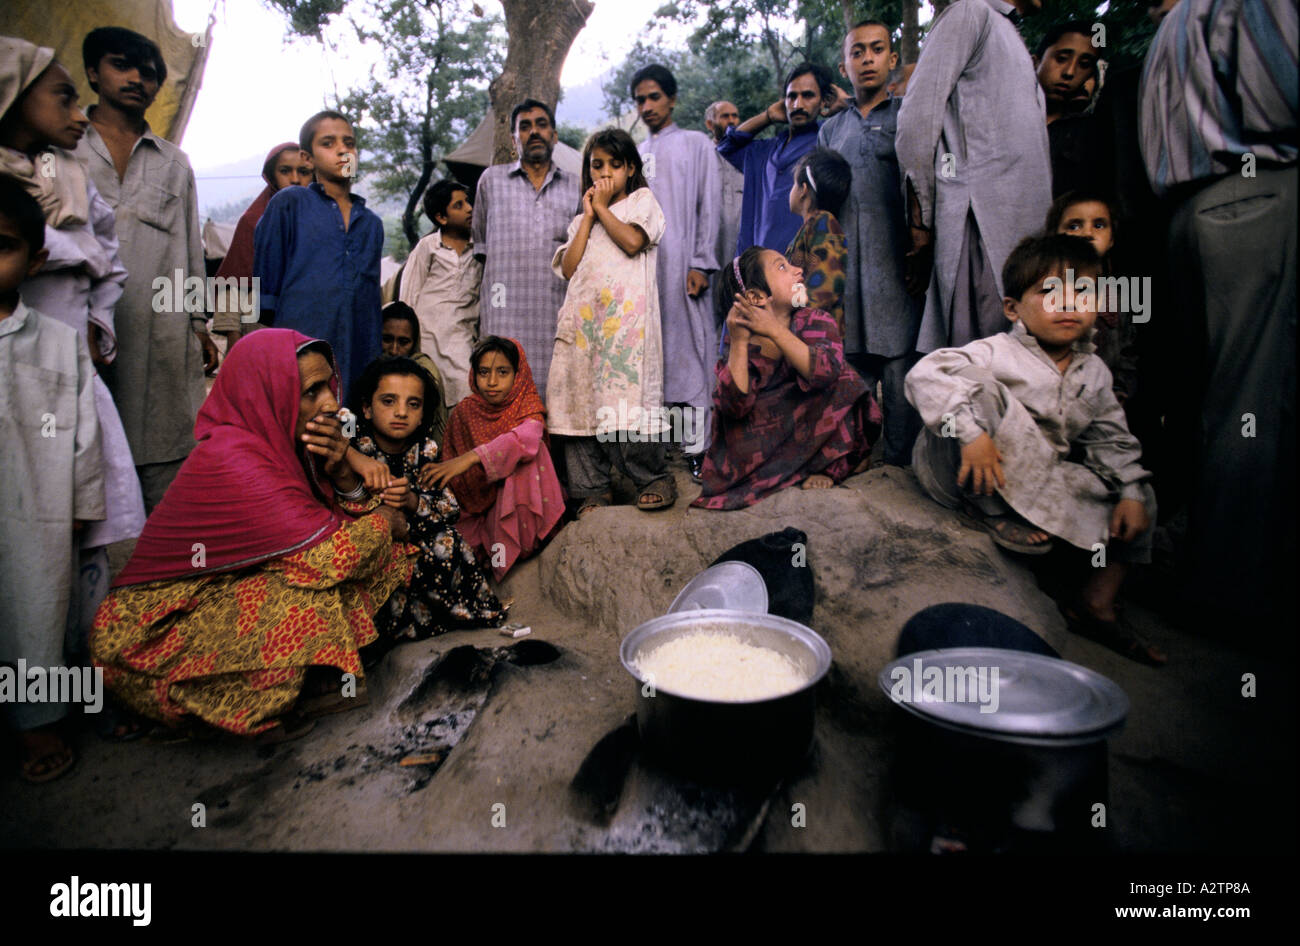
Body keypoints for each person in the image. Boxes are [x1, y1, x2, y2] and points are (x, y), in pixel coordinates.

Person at [91, 329, 415, 740]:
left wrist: (343, 472)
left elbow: (336, 528)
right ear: (268, 392)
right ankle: (227, 707)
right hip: (143, 639)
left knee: (371, 562)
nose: (332, 404)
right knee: (312, 602)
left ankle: (300, 678)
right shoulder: (236, 459)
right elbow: (334, 556)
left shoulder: (278, 443)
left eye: (328, 386)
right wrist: (386, 519)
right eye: (311, 391)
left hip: (208, 596)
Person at [904, 234, 1164, 665]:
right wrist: (971, 434)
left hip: (1030, 474)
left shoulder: (1094, 372)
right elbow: (924, 374)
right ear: (1012, 309)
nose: (1068, 304)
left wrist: (1130, 492)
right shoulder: (996, 351)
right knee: (985, 389)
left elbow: (1110, 440)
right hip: (959, 470)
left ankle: (1095, 603)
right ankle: (986, 510)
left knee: (1138, 495)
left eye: (1082, 292)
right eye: (1049, 292)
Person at [1139, 0, 1296, 622]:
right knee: (1255, 407)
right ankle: (1231, 593)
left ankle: (1204, 565)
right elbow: (1283, 89)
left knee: (1219, 402)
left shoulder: (1172, 25)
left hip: (1194, 210)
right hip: (1255, 197)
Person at [0, 37, 145, 651]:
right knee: (22, 534)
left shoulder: (74, 182)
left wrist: (95, 328)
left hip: (70, 370)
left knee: (83, 527)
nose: (79, 114)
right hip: (13, 374)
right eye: (63, 98)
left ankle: (88, 675)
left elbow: (107, 268)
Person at [75, 26, 216, 512]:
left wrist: (198, 325)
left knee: (163, 450)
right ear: (94, 72)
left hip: (158, 330)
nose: (138, 78)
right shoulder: (63, 150)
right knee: (76, 447)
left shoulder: (174, 164)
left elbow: (190, 252)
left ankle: (157, 567)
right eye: (122, 65)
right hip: (77, 327)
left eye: (150, 73)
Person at [0, 180, 103, 781]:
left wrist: (82, 501)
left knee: (36, 608)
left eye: (3, 246)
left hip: (38, 507)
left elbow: (85, 432)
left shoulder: (59, 342)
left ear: (34, 260)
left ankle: (37, 722)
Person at [896, 0, 1053, 353]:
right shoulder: (970, 12)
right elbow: (916, 123)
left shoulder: (1007, 31)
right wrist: (920, 223)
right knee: (979, 370)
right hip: (981, 232)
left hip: (1024, 242)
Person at [548, 128, 674, 516]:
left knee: (628, 401)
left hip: (627, 331)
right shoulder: (579, 222)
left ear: (630, 168)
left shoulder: (641, 202)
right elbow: (569, 267)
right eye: (596, 166)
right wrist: (588, 216)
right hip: (584, 334)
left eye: (614, 166)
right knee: (577, 406)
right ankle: (592, 488)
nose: (604, 174)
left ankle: (650, 478)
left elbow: (633, 242)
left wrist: (602, 208)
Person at [693, 246, 875, 510]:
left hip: (808, 428)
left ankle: (832, 464)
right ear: (755, 297)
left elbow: (826, 372)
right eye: (782, 267)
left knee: (847, 381)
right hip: (771, 438)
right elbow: (734, 407)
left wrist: (775, 331)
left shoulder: (815, 320)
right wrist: (740, 343)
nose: (798, 270)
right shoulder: (744, 341)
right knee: (733, 435)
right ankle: (797, 469)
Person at [819, 19, 925, 466]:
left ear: (892, 60)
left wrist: (922, 238)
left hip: (894, 261)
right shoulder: (831, 130)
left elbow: (921, 180)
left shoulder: (908, 117)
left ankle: (901, 463)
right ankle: (855, 457)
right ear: (844, 66)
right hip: (847, 266)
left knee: (899, 366)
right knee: (852, 362)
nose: (866, 59)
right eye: (857, 52)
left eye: (876, 50)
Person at [346, 356, 505, 639]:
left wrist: (412, 501)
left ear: (422, 414)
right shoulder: (357, 448)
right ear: (367, 408)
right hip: (375, 541)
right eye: (388, 401)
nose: (401, 412)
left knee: (447, 542)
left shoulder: (425, 451)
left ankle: (441, 616)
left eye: (413, 404)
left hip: (416, 541)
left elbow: (450, 509)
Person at [254, 110, 383, 397]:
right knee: (299, 429)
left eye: (349, 143)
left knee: (348, 431)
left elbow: (370, 301)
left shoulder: (371, 223)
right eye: (328, 143)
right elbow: (266, 294)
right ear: (307, 158)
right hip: (300, 353)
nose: (342, 150)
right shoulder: (290, 204)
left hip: (358, 358)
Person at [633, 65, 720, 477]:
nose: (647, 106)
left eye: (654, 97)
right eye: (640, 100)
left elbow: (709, 205)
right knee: (656, 358)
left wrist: (701, 261)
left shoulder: (696, 144)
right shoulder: (637, 153)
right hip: (646, 271)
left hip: (684, 268)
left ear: (671, 99)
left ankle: (699, 449)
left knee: (692, 355)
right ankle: (668, 446)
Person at [471, 99, 579, 400]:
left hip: (557, 319)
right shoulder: (490, 181)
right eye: (525, 126)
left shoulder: (577, 186)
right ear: (513, 137)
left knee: (555, 408)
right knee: (501, 406)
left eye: (542, 125)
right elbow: (481, 249)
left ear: (554, 135)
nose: (534, 132)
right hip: (503, 318)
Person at [432, 336, 564, 581]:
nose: (492, 382)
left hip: (516, 506)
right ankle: (489, 557)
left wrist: (474, 457)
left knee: (531, 453)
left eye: (502, 372)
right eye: (484, 372)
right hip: (474, 505)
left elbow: (529, 436)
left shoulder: (527, 406)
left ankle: (522, 545)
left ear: (518, 374)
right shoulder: (465, 411)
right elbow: (454, 473)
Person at [718, 62, 845, 256]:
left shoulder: (829, 139)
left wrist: (847, 103)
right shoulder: (766, 151)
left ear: (823, 101)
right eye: (792, 96)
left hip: (802, 262)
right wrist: (768, 116)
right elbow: (727, 146)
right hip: (758, 265)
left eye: (808, 95)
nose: (798, 104)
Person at [213, 141, 311, 348]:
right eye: (285, 171)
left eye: (303, 171)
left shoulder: (324, 221)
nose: (295, 179)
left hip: (310, 326)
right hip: (259, 329)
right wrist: (233, 336)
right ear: (272, 175)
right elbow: (232, 283)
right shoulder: (253, 220)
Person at [1045, 190, 1136, 406]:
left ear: (1112, 239)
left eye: (1099, 225)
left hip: (1109, 405)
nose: (1087, 233)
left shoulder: (1123, 294)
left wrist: (1119, 396)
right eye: (1074, 226)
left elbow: (1130, 353)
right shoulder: (1044, 292)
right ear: (1054, 235)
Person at [401, 178, 480, 407]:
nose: (469, 208)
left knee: (465, 398)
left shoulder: (479, 250)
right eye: (459, 205)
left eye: (467, 202)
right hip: (428, 341)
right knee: (428, 401)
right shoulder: (428, 247)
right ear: (441, 218)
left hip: (462, 341)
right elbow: (408, 296)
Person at [1033, 20, 1107, 197]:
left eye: (1084, 64)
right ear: (1036, 62)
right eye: (1062, 59)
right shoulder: (997, 117)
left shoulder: (1090, 135)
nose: (1069, 72)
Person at [783, 147, 849, 335]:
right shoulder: (811, 228)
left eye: (794, 184)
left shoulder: (824, 223)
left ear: (803, 190)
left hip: (816, 342)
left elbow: (824, 290)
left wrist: (783, 321)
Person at [379, 300, 449, 446]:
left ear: (414, 342)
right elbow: (349, 415)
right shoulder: (365, 369)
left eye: (403, 342)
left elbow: (430, 426)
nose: (394, 350)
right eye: (387, 339)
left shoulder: (426, 371)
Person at [704, 100, 745, 298]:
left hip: (742, 241)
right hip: (712, 244)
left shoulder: (747, 153)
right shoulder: (701, 156)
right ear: (710, 124)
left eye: (734, 116)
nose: (731, 121)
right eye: (725, 116)